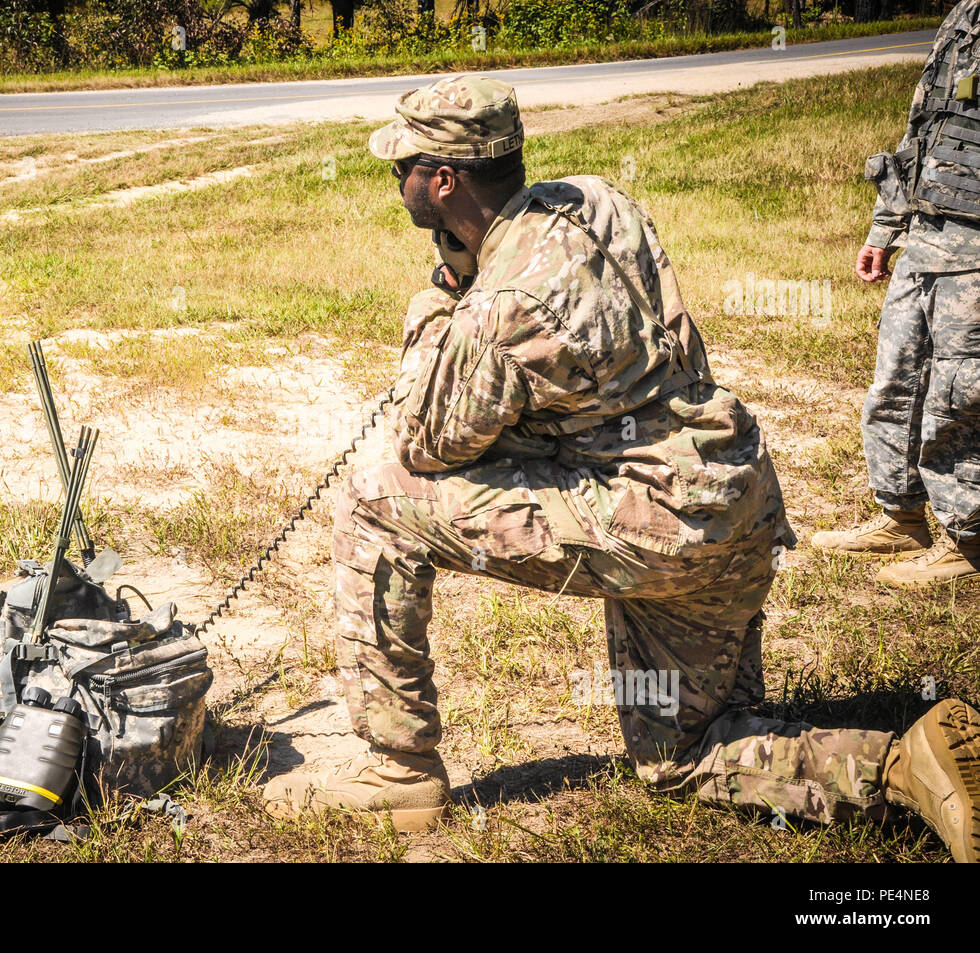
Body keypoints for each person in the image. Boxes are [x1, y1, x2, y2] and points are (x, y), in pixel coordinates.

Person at [260, 76, 980, 862]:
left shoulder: (497, 308)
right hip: (734, 498)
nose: (392, 180)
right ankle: (906, 762)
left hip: (659, 528)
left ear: (444, 181)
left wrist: (437, 300)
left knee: (375, 496)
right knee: (682, 757)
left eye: (402, 165)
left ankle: (398, 770)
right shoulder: (595, 200)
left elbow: (424, 442)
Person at [812, 1, 980, 587]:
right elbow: (924, 130)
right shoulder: (964, 17)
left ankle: (967, 540)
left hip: (975, 252)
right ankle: (901, 516)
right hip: (928, 238)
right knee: (897, 380)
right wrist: (886, 228)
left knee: (959, 398)